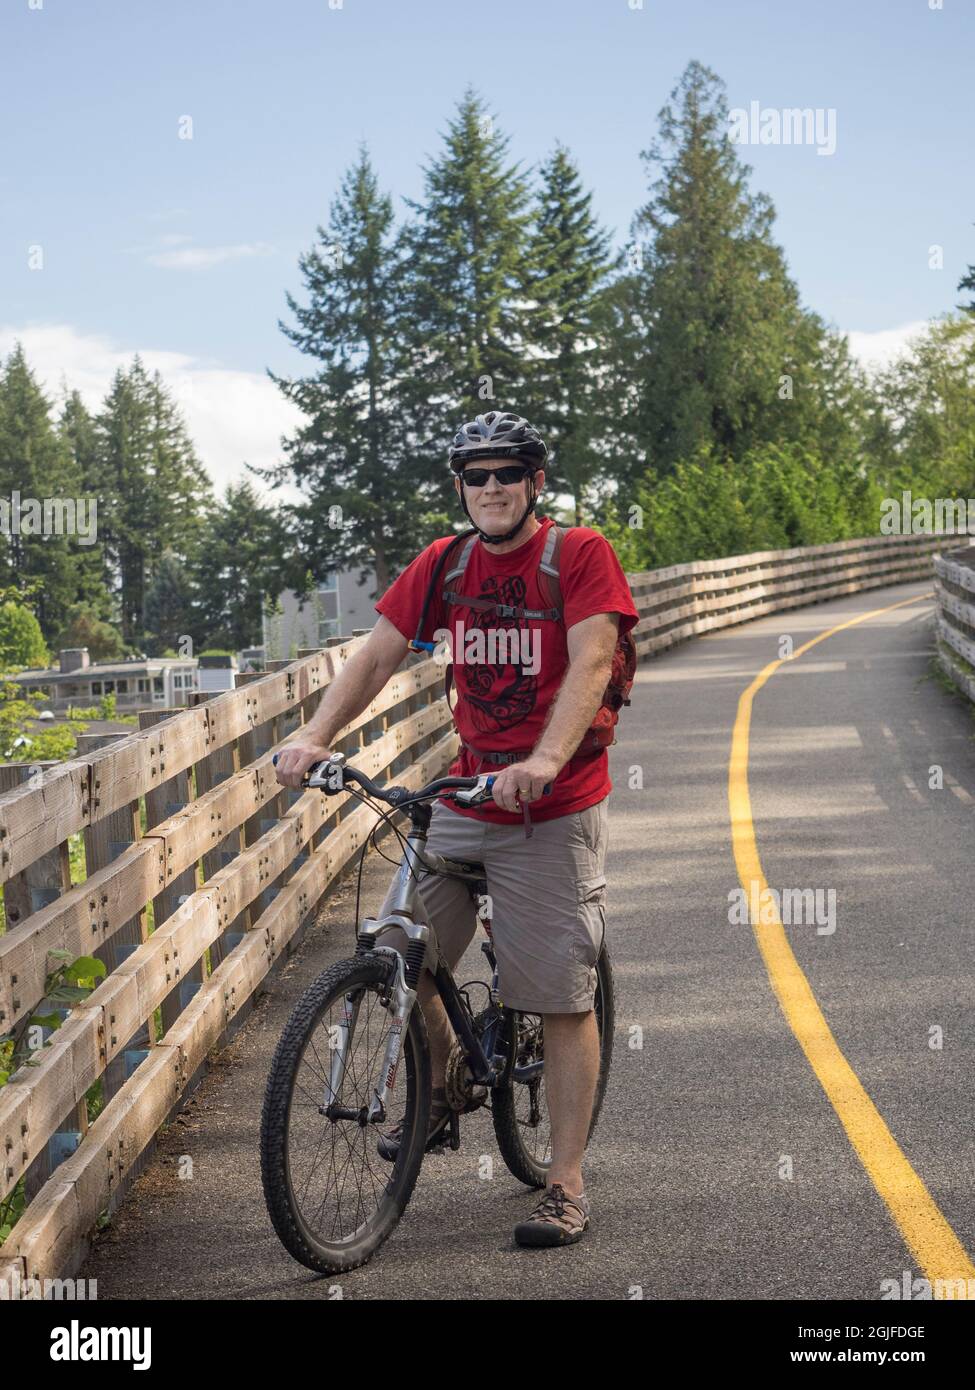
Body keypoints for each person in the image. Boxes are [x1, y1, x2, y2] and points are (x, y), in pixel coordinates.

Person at [275, 409, 638, 1247]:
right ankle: (440, 1085)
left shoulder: (575, 554)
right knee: (401, 946)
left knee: (554, 991)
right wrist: (313, 738)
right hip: (465, 798)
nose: (491, 488)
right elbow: (374, 655)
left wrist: (544, 759)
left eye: (507, 473)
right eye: (475, 476)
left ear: (535, 483)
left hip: (551, 804)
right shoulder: (445, 563)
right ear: (460, 488)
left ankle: (564, 1182)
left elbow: (590, 659)